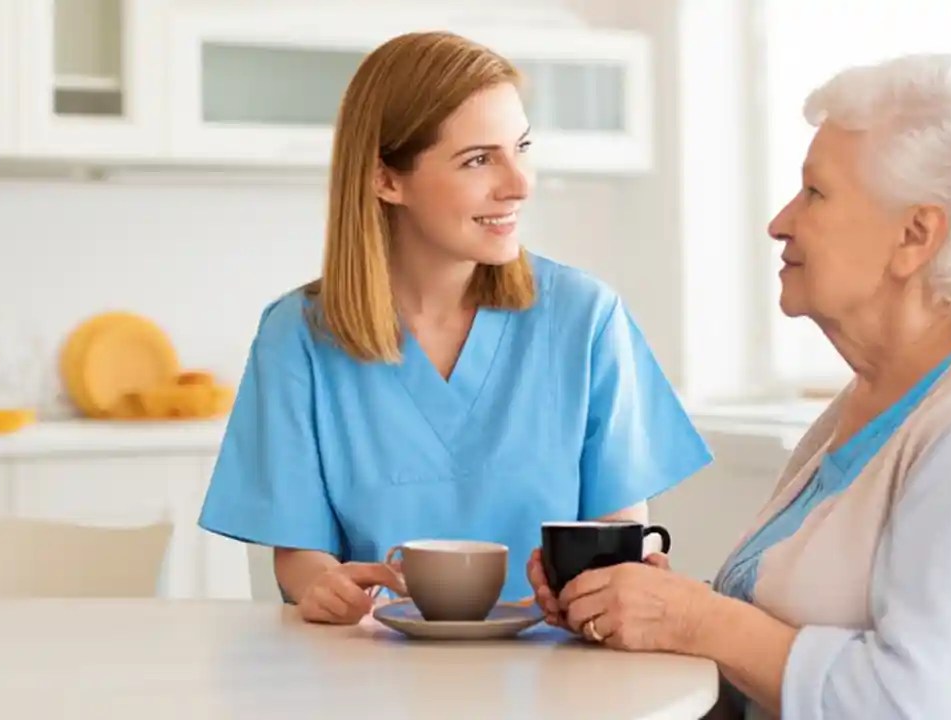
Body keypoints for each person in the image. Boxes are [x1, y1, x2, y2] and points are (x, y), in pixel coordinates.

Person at [529, 53, 951, 719]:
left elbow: (910, 704)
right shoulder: (880, 394)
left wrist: (694, 621)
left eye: (815, 193)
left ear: (915, 234)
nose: (781, 222)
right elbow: (789, 637)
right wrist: (642, 610)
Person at [198, 31, 712, 626]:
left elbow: (619, 526)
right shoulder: (298, 338)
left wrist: (625, 575)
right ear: (386, 179)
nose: (519, 183)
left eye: (522, 147)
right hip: (372, 676)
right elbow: (299, 556)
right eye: (478, 159)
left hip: (558, 677)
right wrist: (324, 589)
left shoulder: (585, 318)